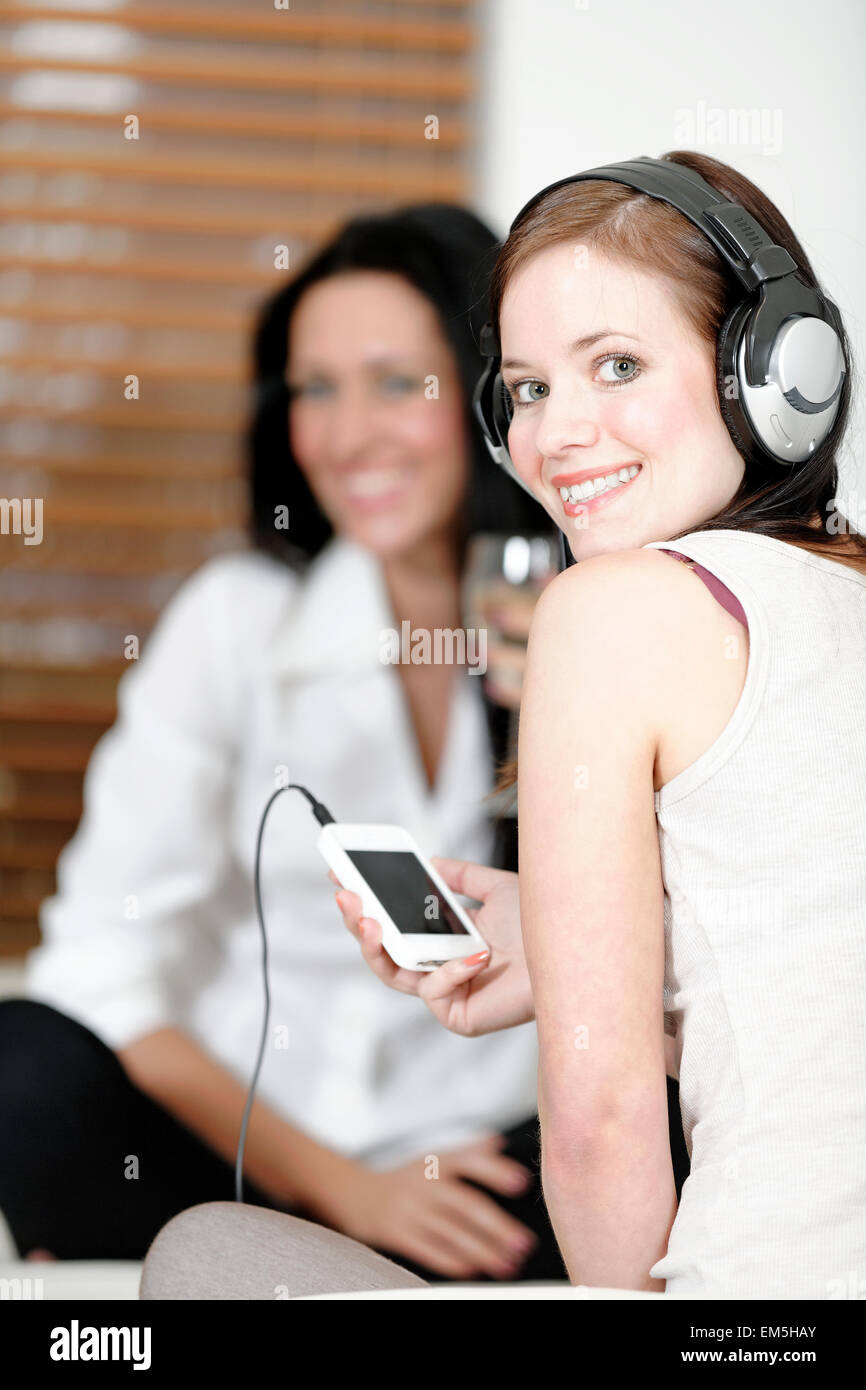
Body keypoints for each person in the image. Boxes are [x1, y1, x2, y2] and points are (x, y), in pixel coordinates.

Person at [140, 149, 866, 1300]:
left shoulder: (605, 609)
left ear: (772, 373)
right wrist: (571, 941)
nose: (555, 437)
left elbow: (599, 1116)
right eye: (525, 390)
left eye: (615, 365)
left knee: (206, 1254)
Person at [0, 203, 624, 1284]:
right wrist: (342, 1188)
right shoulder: (237, 619)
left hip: (477, 1163)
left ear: (493, 392)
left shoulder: (599, 616)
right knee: (24, 1060)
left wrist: (572, 708)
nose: (345, 436)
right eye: (314, 389)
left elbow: (658, 949)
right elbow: (101, 963)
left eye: (396, 383)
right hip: (250, 1154)